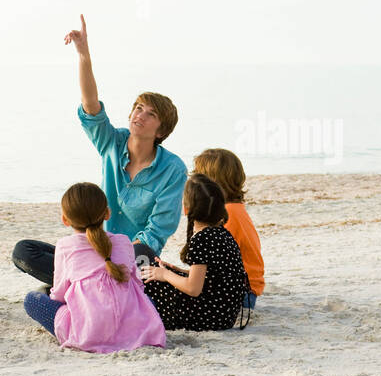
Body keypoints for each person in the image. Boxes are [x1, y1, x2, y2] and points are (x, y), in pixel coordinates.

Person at [12, 14, 187, 286]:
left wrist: (117, 255)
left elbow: (157, 230)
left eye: (150, 114)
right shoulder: (112, 142)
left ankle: (85, 284)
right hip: (95, 249)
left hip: (135, 258)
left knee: (141, 253)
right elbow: (91, 105)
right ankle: (90, 283)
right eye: (138, 108)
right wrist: (83, 54)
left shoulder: (173, 169)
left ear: (161, 131)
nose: (140, 115)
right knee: (25, 251)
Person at [24, 182, 166, 353]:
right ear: (107, 213)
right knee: (144, 301)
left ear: (65, 219)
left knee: (31, 299)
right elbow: (138, 286)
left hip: (88, 334)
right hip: (136, 329)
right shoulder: (123, 241)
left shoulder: (65, 245)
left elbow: (60, 294)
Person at [139, 173, 247, 330]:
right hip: (225, 314)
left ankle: (144, 316)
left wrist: (165, 275)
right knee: (161, 273)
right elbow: (215, 276)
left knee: (151, 280)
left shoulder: (201, 239)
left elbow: (193, 289)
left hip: (208, 318)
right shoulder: (222, 233)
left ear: (186, 209)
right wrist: (180, 272)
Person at [193, 148, 264, 309]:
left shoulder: (227, 215)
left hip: (239, 294)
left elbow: (212, 267)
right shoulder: (234, 209)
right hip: (242, 289)